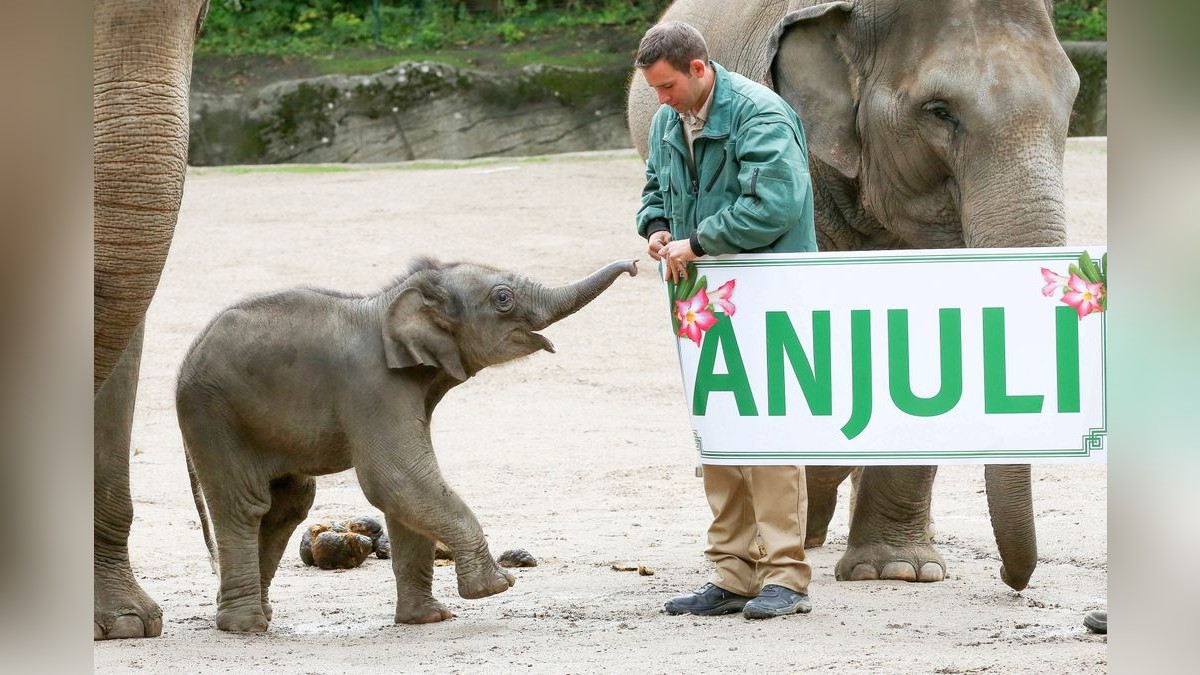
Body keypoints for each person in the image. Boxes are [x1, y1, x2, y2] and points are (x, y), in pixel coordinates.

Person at [633, 20, 818, 619]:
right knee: (718, 427)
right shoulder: (667, 120)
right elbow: (655, 189)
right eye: (653, 90)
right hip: (701, 292)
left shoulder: (759, 115)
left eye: (666, 87)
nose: (660, 101)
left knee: (766, 428)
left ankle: (784, 573)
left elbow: (774, 205)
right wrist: (658, 229)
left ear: (699, 68)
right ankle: (731, 570)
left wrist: (697, 242)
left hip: (766, 291)